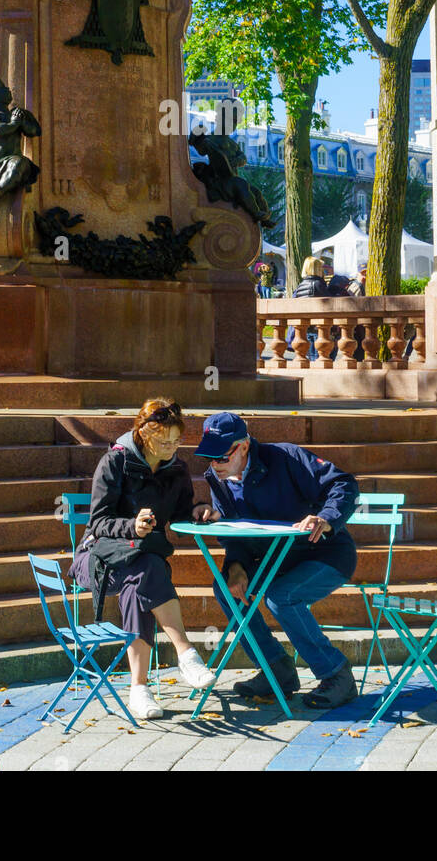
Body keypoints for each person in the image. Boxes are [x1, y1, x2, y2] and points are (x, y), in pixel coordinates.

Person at [196, 412, 359, 710]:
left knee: (281, 597)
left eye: (221, 456)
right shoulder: (217, 479)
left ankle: (337, 674)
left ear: (243, 446)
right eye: (209, 457)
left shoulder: (287, 457)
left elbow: (344, 484)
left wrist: (325, 518)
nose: (215, 464)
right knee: (226, 590)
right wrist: (235, 566)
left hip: (326, 553)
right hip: (274, 558)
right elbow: (234, 535)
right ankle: (276, 671)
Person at [69, 398, 215, 720]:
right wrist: (131, 526)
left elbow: (179, 513)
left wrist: (196, 510)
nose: (172, 447)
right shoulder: (115, 462)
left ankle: (139, 689)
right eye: (165, 441)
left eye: (177, 441)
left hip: (141, 562)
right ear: (144, 434)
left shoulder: (176, 469)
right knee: (147, 569)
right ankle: (186, 654)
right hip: (96, 560)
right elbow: (98, 522)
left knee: (141, 579)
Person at [288, 255, 328, 360]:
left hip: (306, 328)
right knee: (320, 360)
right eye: (321, 267)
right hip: (318, 329)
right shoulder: (319, 284)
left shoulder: (301, 285)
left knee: (312, 359)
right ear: (317, 268)